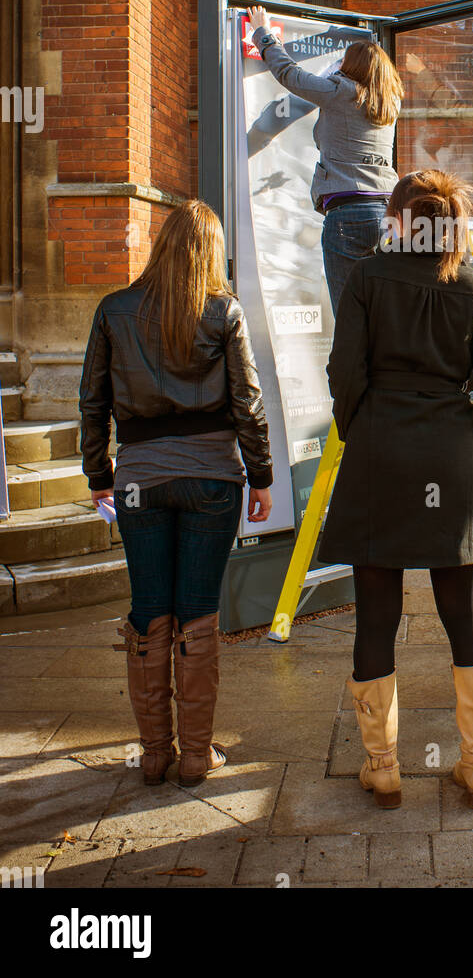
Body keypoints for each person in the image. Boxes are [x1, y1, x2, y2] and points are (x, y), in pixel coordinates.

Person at [318, 170, 473, 809]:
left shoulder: (367, 278)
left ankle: (382, 767)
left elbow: (343, 371)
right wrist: (462, 428)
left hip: (379, 453)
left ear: (399, 219)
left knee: (376, 613)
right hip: (450, 459)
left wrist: (361, 427)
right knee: (463, 611)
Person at [79, 200, 273, 788]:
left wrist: (99, 476)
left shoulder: (114, 310)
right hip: (213, 478)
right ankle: (196, 754)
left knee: (148, 610)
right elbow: (248, 401)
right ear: (210, 252)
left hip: (139, 482)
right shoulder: (223, 311)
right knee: (198, 613)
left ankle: (153, 754)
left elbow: (93, 401)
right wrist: (260, 475)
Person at [247, 5, 404, 314]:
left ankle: (351, 364)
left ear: (352, 68)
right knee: (382, 311)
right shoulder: (390, 103)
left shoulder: (340, 91)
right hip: (388, 214)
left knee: (349, 314)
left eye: (343, 63)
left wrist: (263, 34)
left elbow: (290, 74)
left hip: (348, 215)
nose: (338, 68)